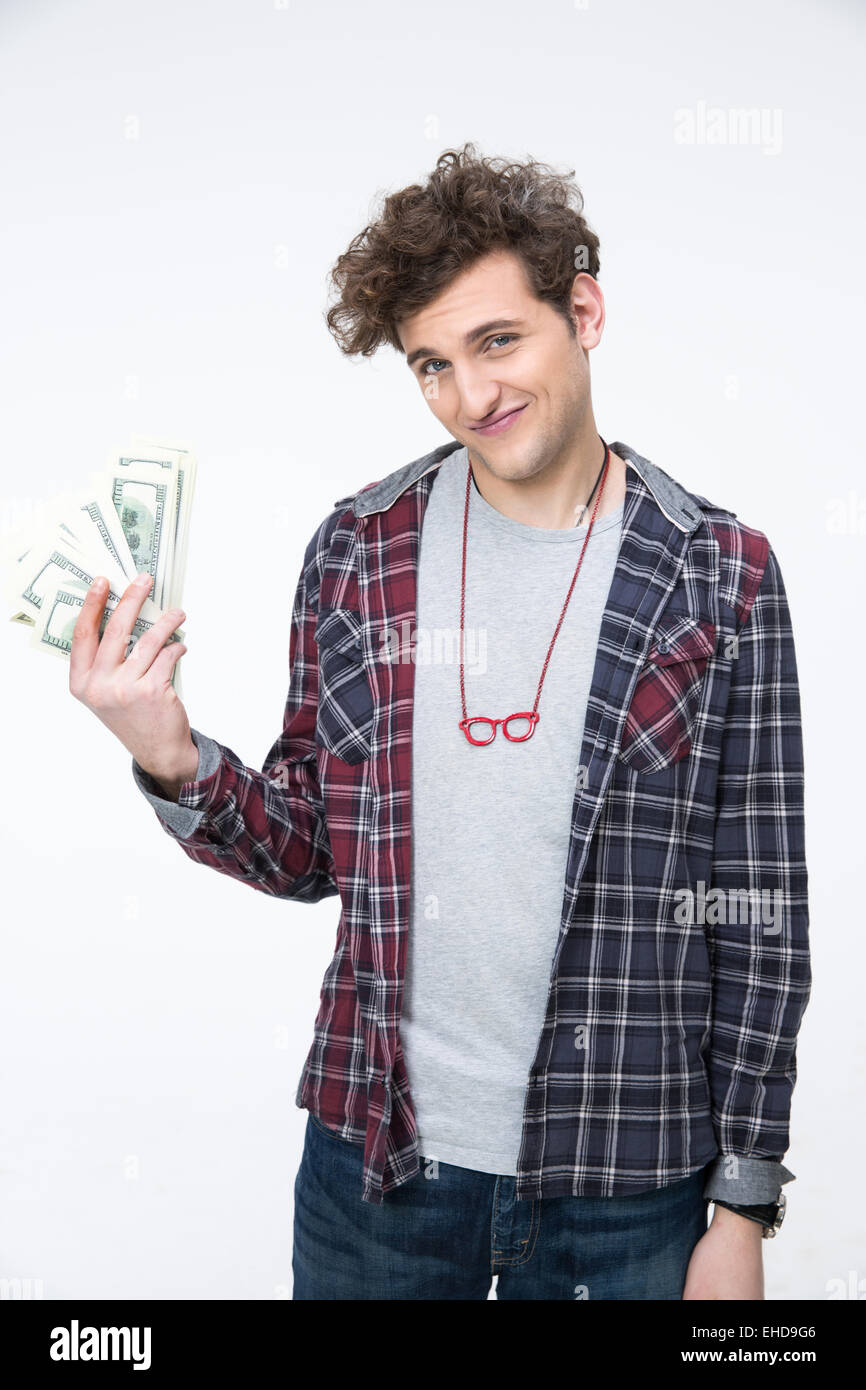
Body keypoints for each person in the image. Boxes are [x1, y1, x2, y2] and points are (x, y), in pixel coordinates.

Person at [70, 143, 811, 1300]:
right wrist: (165, 750)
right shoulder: (360, 553)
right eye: (430, 364)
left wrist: (742, 1205)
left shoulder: (721, 576)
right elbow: (311, 848)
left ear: (583, 310)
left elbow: (759, 905)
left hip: (629, 1187)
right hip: (379, 1177)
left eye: (497, 341)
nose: (471, 395)